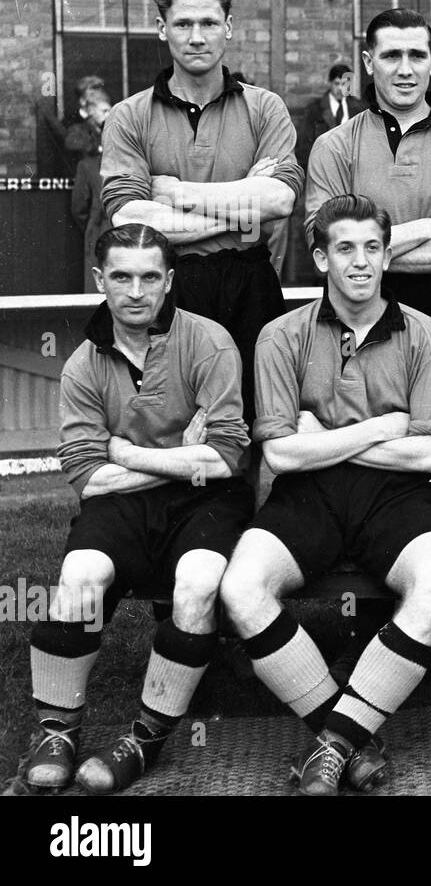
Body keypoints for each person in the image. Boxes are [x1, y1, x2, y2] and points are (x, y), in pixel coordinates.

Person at [218, 193, 431, 796]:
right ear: (321, 259)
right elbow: (279, 455)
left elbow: (428, 453)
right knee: (241, 588)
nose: (360, 263)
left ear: (387, 257)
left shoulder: (427, 335)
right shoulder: (279, 336)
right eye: (344, 249)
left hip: (401, 495)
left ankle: (331, 747)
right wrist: (385, 426)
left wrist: (326, 435)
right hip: (309, 495)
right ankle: (351, 736)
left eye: (373, 248)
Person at [21, 224, 252, 794]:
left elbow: (225, 460)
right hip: (124, 502)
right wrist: (174, 454)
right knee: (80, 577)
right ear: (100, 281)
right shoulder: (82, 364)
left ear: (169, 281)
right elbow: (84, 474)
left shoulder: (210, 342)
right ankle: (57, 730)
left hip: (207, 501)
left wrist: (126, 452)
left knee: (198, 583)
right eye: (121, 276)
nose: (136, 291)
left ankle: (144, 738)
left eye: (150, 277)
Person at [99, 0, 302, 422]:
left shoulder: (265, 107)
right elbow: (130, 220)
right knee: (167, 418)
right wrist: (241, 208)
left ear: (228, 27)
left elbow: (280, 200)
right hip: (168, 283)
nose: (196, 37)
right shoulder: (127, 116)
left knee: (252, 419)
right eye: (183, 24)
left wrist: (175, 192)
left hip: (248, 283)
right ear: (161, 28)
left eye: (209, 23)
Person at [306, 8, 431, 339]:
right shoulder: (332, 146)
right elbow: (326, 247)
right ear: (367, 62)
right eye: (391, 55)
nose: (405, 70)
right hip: (356, 319)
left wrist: (363, 251)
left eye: (417, 56)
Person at [70, 88, 114, 292]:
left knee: (96, 290)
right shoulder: (134, 164)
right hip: (125, 228)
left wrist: (91, 225)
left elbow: (78, 208)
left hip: (97, 230)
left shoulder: (87, 166)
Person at [295, 63, 365, 170]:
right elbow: (304, 146)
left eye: (345, 84)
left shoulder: (360, 109)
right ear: (330, 83)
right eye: (337, 84)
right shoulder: (314, 110)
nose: (341, 89)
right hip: (324, 168)